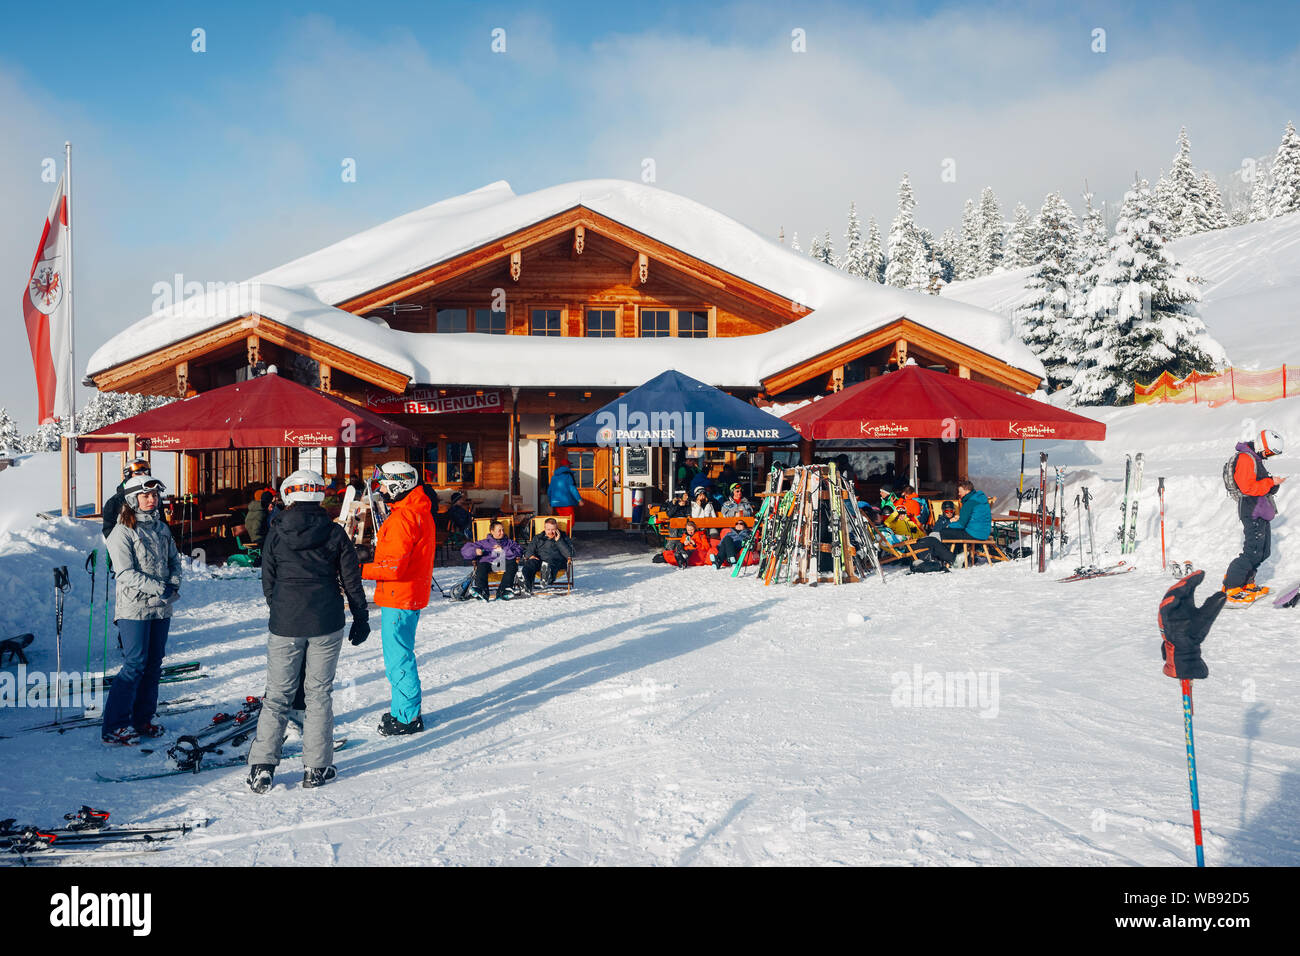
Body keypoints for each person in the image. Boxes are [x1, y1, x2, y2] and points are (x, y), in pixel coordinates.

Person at [246, 470, 369, 793]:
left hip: (286, 622)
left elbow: (268, 579)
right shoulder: (334, 533)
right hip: (326, 621)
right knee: (318, 695)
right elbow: (351, 579)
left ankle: (262, 766)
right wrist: (361, 617)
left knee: (277, 696)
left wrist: (281, 608)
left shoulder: (276, 531)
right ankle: (316, 767)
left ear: (289, 494)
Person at [101, 475, 182, 745]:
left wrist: (173, 583)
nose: (151, 499)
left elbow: (174, 559)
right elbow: (124, 573)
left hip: (160, 608)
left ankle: (143, 718)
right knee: (135, 663)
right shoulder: (122, 531)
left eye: (155, 495)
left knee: (154, 664)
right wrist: (160, 587)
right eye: (146, 496)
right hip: (134, 607)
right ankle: (114, 725)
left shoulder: (160, 528)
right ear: (132, 499)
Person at [361, 461, 436, 736]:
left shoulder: (404, 517)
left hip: (400, 595)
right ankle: (402, 709)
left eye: (383, 482)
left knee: (398, 658)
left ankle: (407, 717)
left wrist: (359, 569)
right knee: (399, 655)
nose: (379, 488)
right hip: (406, 593)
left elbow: (393, 567)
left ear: (399, 484)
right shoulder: (414, 510)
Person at [1224, 429, 1286, 604]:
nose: (1269, 456)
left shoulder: (1255, 459)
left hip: (1260, 509)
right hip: (1251, 510)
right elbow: (1247, 488)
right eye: (1269, 452)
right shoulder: (1245, 458)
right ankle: (1232, 586)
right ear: (1262, 446)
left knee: (1263, 551)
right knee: (1252, 551)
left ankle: (1246, 582)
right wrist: (1270, 482)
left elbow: (1261, 485)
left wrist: (1273, 484)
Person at [911, 478, 991, 568]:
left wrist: (949, 525)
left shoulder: (970, 502)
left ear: (967, 490)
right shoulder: (980, 499)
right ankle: (951, 556)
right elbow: (975, 518)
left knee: (943, 532)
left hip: (974, 533)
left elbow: (961, 525)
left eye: (960, 491)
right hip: (984, 532)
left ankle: (951, 559)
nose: (958, 494)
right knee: (948, 533)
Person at [461, 519, 524, 600]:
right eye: (499, 530)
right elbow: (465, 550)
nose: (502, 532)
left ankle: (504, 590)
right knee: (482, 565)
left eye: (503, 530)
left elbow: (520, 551)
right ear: (492, 531)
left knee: (513, 564)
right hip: (489, 564)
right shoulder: (484, 543)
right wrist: (475, 551)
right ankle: (482, 591)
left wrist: (503, 550)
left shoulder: (509, 542)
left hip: (504, 563)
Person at [520, 517, 576, 594]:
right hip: (540, 561)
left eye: (553, 529)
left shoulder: (563, 537)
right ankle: (525, 584)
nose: (550, 532)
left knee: (551, 563)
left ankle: (546, 578)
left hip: (556, 561)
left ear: (557, 528)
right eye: (548, 529)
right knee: (530, 564)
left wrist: (559, 541)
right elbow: (529, 549)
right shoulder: (538, 537)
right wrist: (530, 555)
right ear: (544, 528)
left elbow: (570, 553)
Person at [102, 459, 151, 538]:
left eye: (146, 471)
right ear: (128, 475)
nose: (143, 474)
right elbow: (109, 533)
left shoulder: (153, 499)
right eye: (138, 472)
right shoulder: (114, 502)